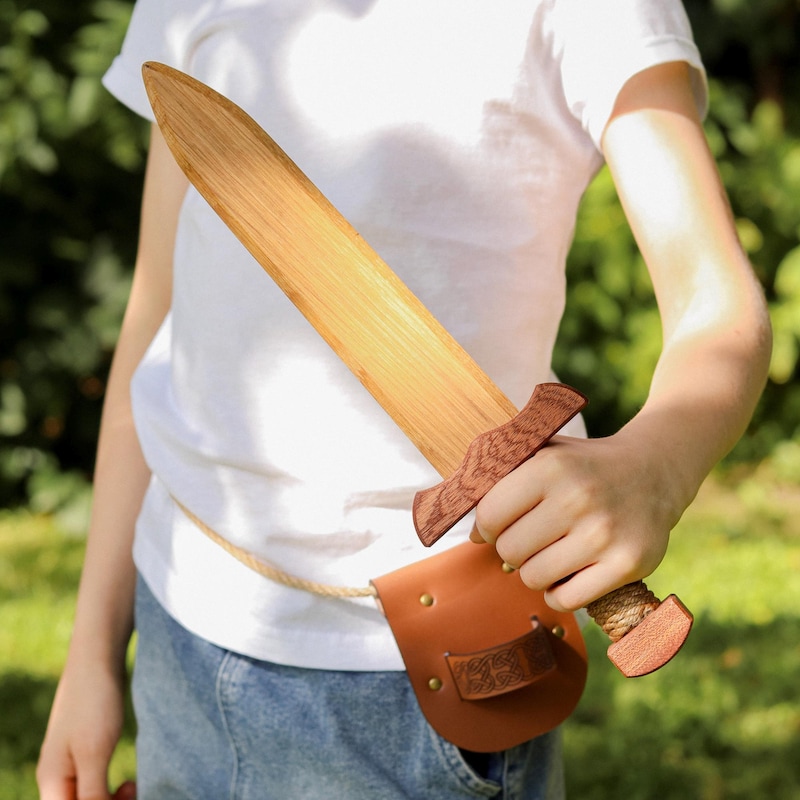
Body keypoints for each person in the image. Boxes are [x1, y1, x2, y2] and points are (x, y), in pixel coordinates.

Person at [37, 1, 771, 798]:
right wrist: (91, 655)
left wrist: (657, 466)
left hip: (431, 682)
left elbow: (717, 307)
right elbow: (156, 314)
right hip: (178, 624)